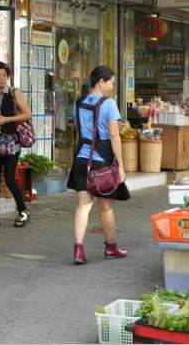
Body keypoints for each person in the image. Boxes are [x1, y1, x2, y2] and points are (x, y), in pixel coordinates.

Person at [67, 65, 130, 265]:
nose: (112, 87)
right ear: (101, 82)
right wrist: (120, 165)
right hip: (101, 162)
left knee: (82, 206)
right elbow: (113, 135)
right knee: (106, 206)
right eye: (111, 82)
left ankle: (78, 250)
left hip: (80, 160)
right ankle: (111, 247)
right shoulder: (109, 104)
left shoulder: (78, 103)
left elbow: (81, 130)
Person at [0, 62, 32, 228]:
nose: (2, 78)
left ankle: (23, 210)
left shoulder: (14, 93)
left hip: (11, 141)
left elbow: (27, 114)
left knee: (10, 178)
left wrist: (6, 119)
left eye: (4, 75)